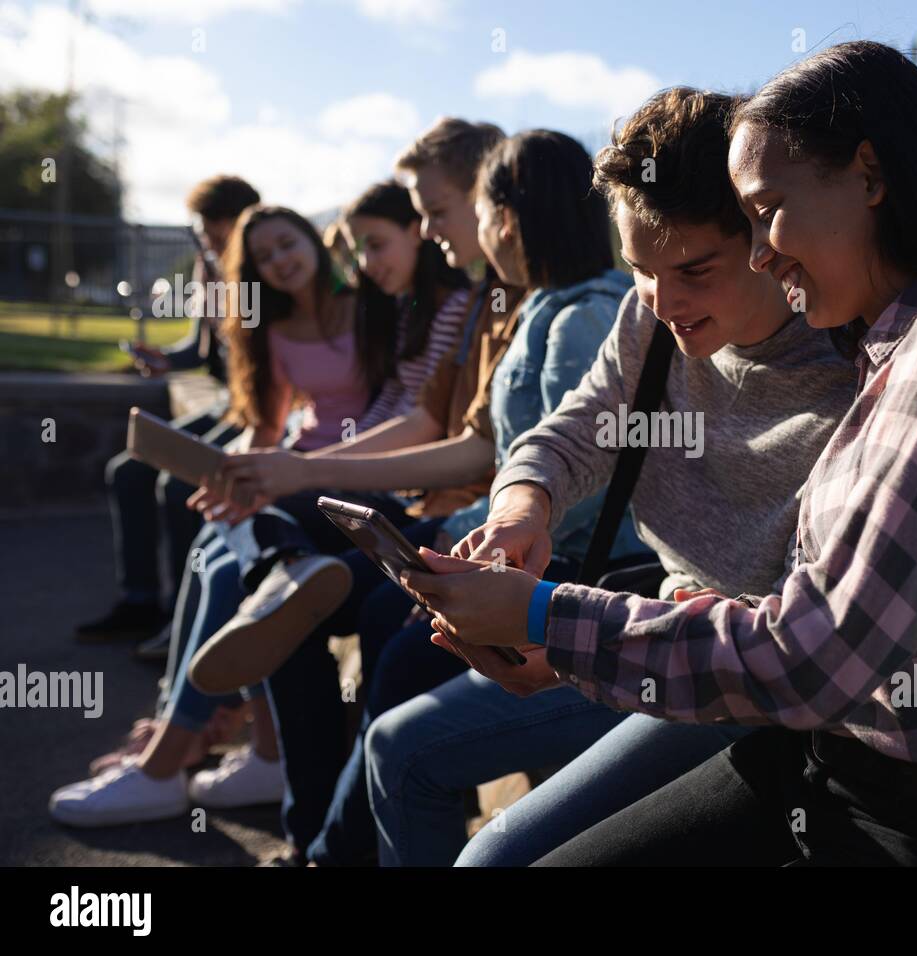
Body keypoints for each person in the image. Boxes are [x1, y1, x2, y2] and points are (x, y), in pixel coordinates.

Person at [403, 42, 917, 867]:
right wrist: (523, 511)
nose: (760, 254)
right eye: (642, 271)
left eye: (766, 214)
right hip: (824, 740)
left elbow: (811, 654)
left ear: (869, 175)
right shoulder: (890, 338)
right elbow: (584, 427)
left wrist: (547, 621)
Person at [363, 89, 859, 867]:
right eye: (641, 268)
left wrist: (559, 637)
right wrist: (523, 506)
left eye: (695, 267)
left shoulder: (847, 365)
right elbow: (568, 432)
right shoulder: (648, 316)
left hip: (746, 686)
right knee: (399, 745)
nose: (665, 300)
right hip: (646, 628)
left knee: (492, 854)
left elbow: (793, 644)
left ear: (764, 237)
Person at [194, 128, 641, 866]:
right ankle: (291, 581)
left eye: (443, 212)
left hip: (564, 563)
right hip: (496, 533)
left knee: (396, 647)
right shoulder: (533, 308)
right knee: (334, 578)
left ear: (505, 215)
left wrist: (476, 537)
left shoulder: (582, 313)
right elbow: (510, 451)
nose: (433, 229)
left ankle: (333, 849)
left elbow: (575, 474)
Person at [49, 201, 425, 825]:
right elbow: (265, 427)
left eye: (286, 244)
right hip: (292, 469)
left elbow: (410, 415)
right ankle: (253, 747)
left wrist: (281, 474)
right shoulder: (271, 330)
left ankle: (169, 763)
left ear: (312, 239)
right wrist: (235, 474)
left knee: (228, 568)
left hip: (352, 476)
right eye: (263, 258)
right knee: (212, 538)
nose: (280, 261)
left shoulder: (374, 305)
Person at [77, 175, 259, 654]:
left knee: (179, 483)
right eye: (203, 231)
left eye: (216, 230)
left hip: (253, 409)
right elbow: (203, 350)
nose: (208, 240)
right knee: (128, 470)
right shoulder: (209, 267)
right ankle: (140, 602)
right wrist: (163, 359)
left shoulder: (262, 268)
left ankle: (187, 622)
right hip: (224, 400)